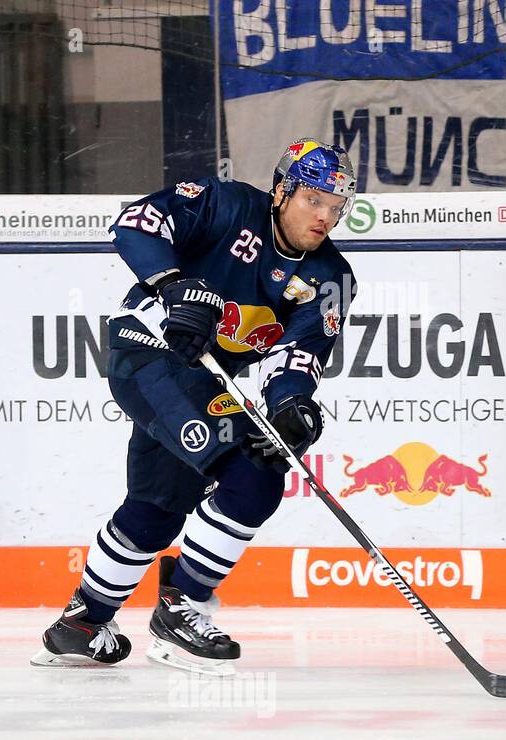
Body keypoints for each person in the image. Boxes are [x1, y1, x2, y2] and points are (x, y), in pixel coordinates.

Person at [32, 139, 357, 676]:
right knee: (254, 473)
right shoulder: (225, 204)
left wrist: (293, 404)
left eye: (337, 204)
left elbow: (299, 353)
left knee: (157, 508)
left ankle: (82, 623)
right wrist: (177, 285)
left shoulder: (331, 277)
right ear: (281, 191)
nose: (326, 215)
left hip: (203, 378)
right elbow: (135, 224)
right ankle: (181, 607)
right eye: (314, 200)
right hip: (148, 355)